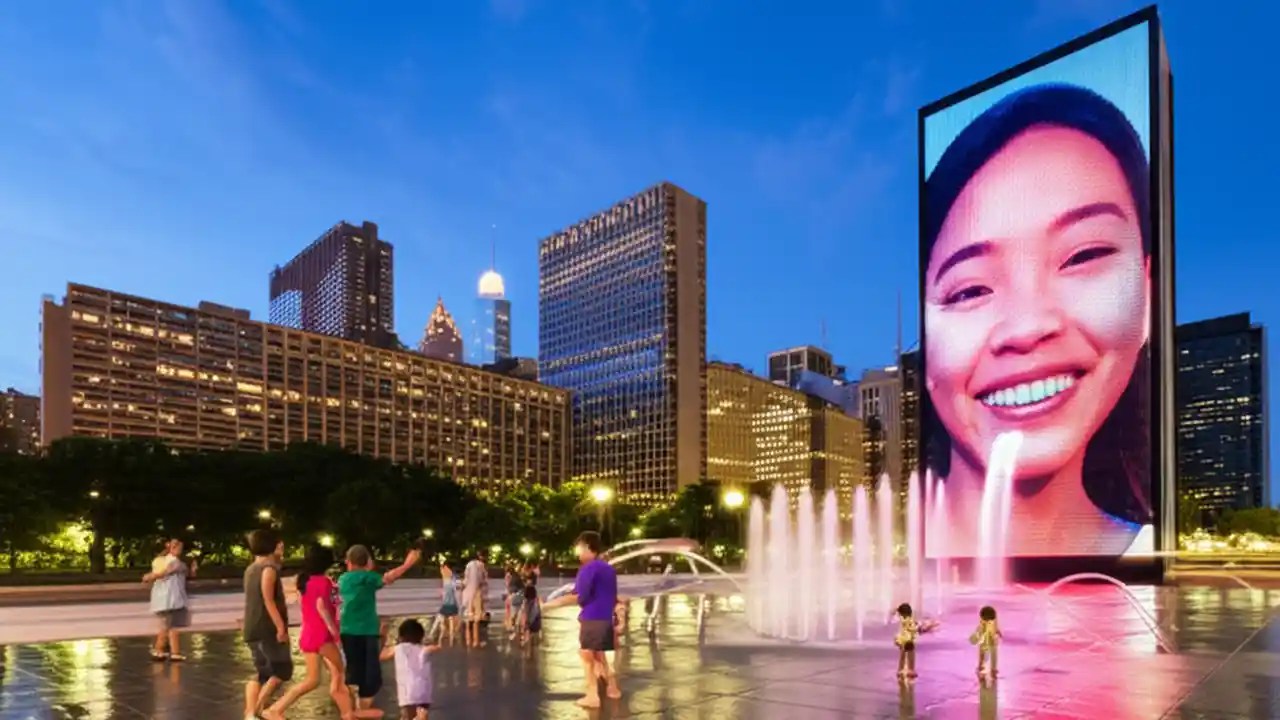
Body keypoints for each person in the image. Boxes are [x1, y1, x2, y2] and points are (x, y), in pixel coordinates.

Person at [923, 83, 1155, 557]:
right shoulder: (874, 565)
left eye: (1083, 256)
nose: (1027, 327)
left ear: (1148, 294)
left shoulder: (1154, 555)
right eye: (970, 289)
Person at [261, 544, 356, 720]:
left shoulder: (304, 581)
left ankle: (275, 709)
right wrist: (335, 633)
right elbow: (323, 609)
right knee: (342, 672)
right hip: (322, 636)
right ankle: (348, 712)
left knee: (312, 680)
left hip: (308, 636)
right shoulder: (324, 582)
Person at [339, 544, 422, 712]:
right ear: (367, 561)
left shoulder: (343, 579)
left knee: (354, 674)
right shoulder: (367, 578)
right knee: (371, 679)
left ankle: (352, 710)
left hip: (347, 631)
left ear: (349, 561)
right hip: (367, 632)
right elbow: (388, 577)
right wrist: (407, 564)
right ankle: (360, 712)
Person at [543, 531, 622, 708]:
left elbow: (578, 597)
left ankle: (592, 696)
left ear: (587, 547)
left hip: (592, 618)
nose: (577, 553)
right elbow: (612, 596)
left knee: (587, 656)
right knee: (598, 655)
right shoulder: (608, 569)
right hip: (606, 618)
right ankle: (613, 688)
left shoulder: (588, 568)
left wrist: (547, 605)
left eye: (578, 548)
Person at [242, 529, 292, 720]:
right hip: (266, 628)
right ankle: (256, 711)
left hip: (253, 626)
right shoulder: (268, 569)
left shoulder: (251, 568)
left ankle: (250, 713)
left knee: (262, 673)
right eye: (279, 543)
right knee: (282, 670)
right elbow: (268, 599)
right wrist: (280, 627)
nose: (282, 546)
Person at [143, 537, 195, 662]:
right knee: (171, 627)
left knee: (167, 626)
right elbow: (164, 573)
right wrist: (150, 576)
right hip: (170, 600)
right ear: (172, 548)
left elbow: (163, 573)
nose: (180, 550)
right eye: (177, 547)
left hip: (166, 599)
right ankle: (167, 652)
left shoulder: (167, 562)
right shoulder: (174, 562)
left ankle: (162, 651)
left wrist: (149, 576)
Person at [380, 618, 441, 719]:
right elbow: (436, 648)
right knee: (421, 715)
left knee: (408, 716)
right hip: (424, 692)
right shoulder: (423, 649)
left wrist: (383, 636)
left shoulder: (398, 649)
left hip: (407, 694)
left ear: (401, 636)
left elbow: (381, 655)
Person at [461, 550, 489, 648]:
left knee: (469, 619)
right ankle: (476, 641)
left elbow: (465, 580)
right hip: (477, 594)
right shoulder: (481, 566)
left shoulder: (468, 565)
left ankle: (468, 641)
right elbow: (483, 581)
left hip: (468, 594)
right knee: (476, 620)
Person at [971, 605, 1003, 678]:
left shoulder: (984, 624)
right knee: (992, 656)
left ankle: (986, 667)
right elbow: (980, 631)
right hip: (990, 643)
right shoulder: (985, 624)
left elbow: (978, 632)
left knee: (984, 655)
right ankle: (991, 669)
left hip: (987, 643)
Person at [435, 562, 461, 644]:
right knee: (443, 620)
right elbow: (457, 587)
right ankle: (449, 639)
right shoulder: (450, 578)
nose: (442, 570)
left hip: (449, 604)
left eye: (444, 568)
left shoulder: (452, 578)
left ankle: (437, 637)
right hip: (450, 604)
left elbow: (457, 587)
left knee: (441, 619)